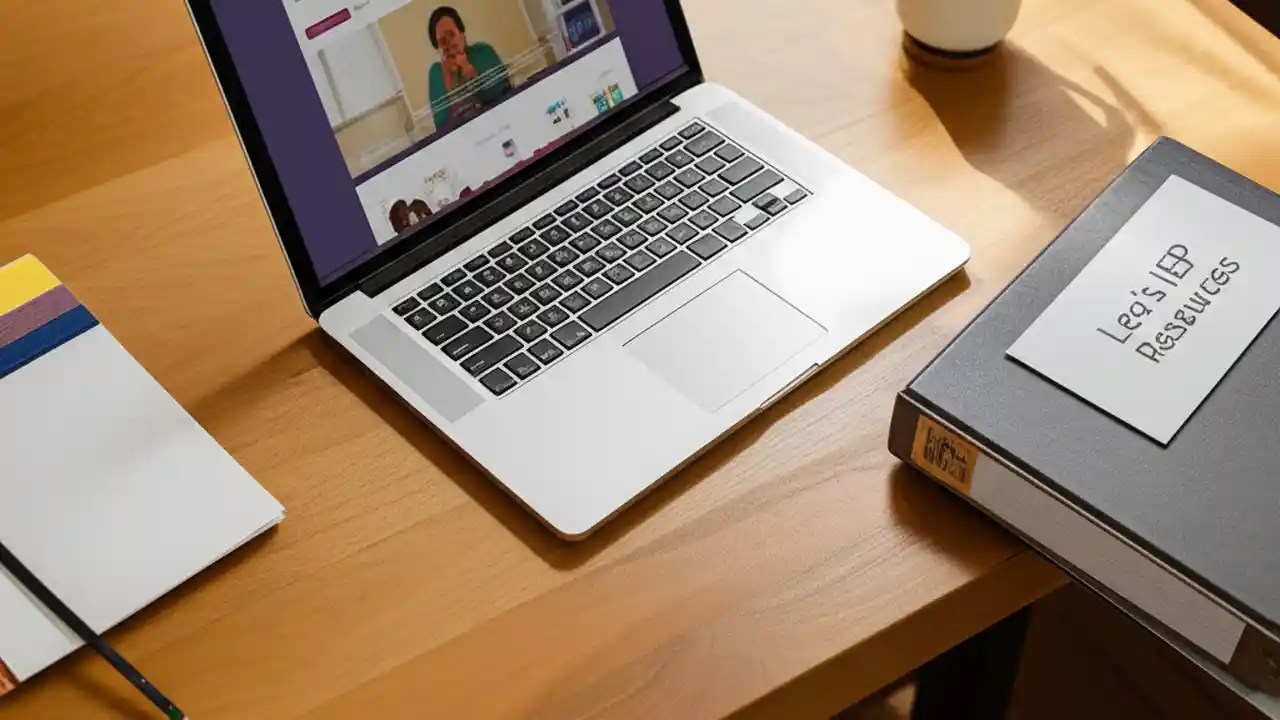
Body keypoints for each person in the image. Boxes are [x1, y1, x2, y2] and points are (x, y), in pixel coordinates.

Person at [426, 6, 511, 129]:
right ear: (437, 48)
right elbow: (442, 126)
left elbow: (504, 94)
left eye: (451, 35)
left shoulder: (483, 52)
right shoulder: (436, 73)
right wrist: (449, 84)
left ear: (462, 34)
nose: (449, 44)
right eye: (443, 41)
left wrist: (470, 73)